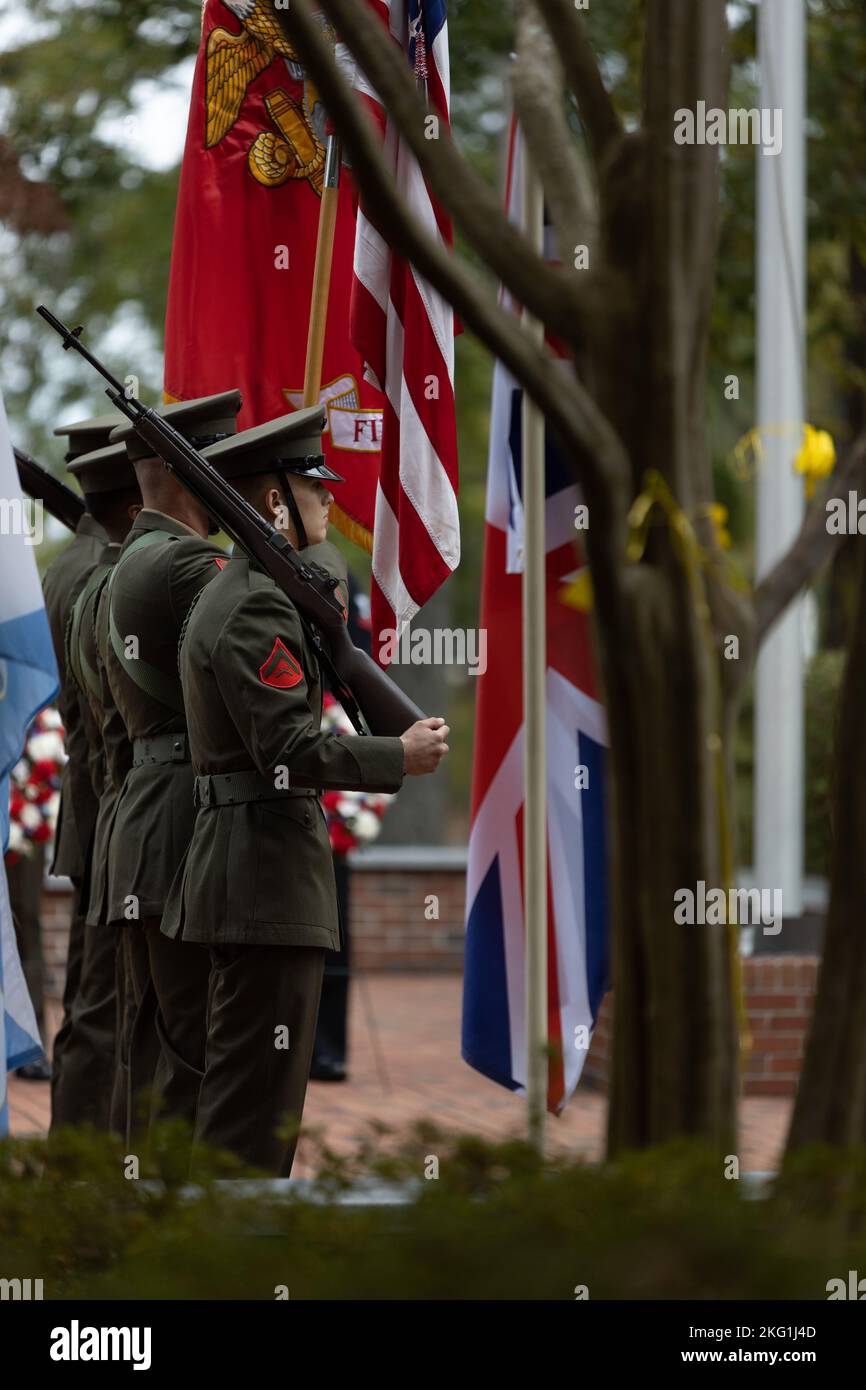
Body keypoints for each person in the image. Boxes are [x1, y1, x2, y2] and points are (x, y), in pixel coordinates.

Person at [162, 405, 449, 1176]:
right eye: (314, 490)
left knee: (248, 1107)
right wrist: (396, 754)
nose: (329, 501)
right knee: (251, 1123)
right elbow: (285, 747)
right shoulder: (254, 602)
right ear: (274, 504)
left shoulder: (255, 593)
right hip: (262, 883)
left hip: (251, 877)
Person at [101, 391, 241, 1141]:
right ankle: (172, 1235)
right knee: (195, 1054)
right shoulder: (193, 562)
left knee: (155, 1049)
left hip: (142, 820)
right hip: (185, 824)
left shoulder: (129, 560)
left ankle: (130, 1224)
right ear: (193, 476)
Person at [43, 414, 136, 1128]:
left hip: (94, 811)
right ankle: (82, 1172)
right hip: (113, 813)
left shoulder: (70, 562)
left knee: (95, 996)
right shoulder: (106, 572)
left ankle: (82, 1165)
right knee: (104, 1003)